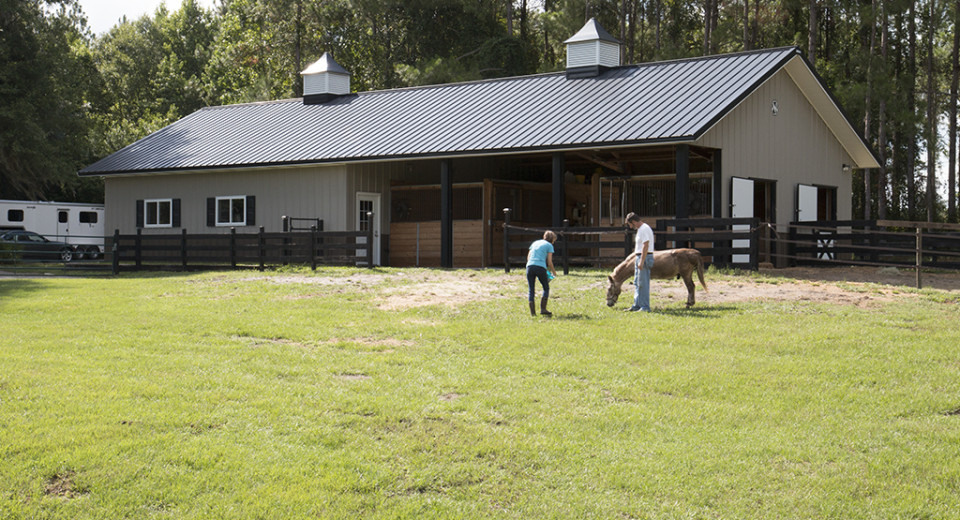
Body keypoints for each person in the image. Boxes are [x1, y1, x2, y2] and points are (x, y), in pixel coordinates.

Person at [625, 212, 655, 312]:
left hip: (644, 257)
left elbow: (645, 245)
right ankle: (637, 305)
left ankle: (645, 306)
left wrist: (641, 261)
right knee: (637, 282)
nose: (630, 227)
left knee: (643, 283)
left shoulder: (644, 229)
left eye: (630, 224)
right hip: (640, 256)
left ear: (633, 221)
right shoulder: (641, 229)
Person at [526, 230, 559, 317]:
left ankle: (533, 313)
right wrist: (554, 272)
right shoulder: (549, 245)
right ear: (552, 239)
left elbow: (528, 257)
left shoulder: (535, 243)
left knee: (531, 289)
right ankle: (543, 309)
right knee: (546, 287)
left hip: (529, 266)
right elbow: (549, 262)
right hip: (540, 267)